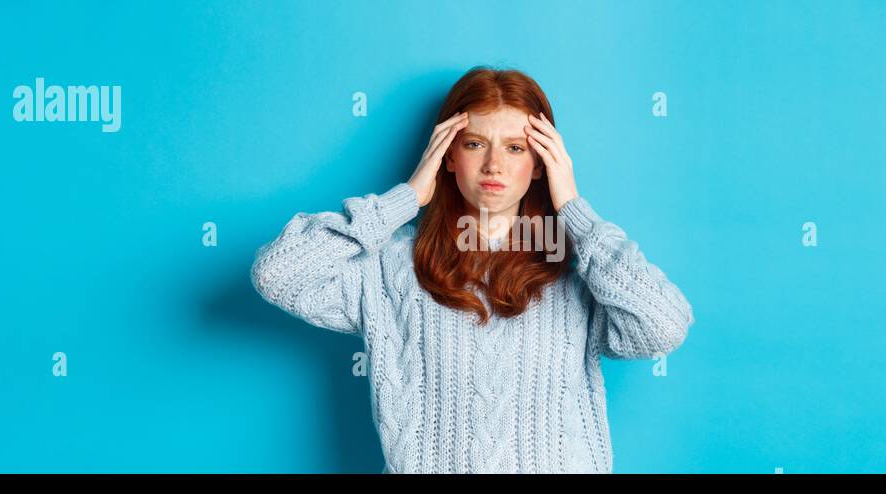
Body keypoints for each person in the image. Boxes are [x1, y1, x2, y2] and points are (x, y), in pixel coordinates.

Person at [250, 66, 693, 473]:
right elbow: (277, 274)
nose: (494, 165)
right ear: (447, 155)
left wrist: (575, 211)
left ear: (540, 164)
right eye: (475, 143)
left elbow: (664, 327)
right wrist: (404, 199)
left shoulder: (579, 270)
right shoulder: (390, 268)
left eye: (516, 148)